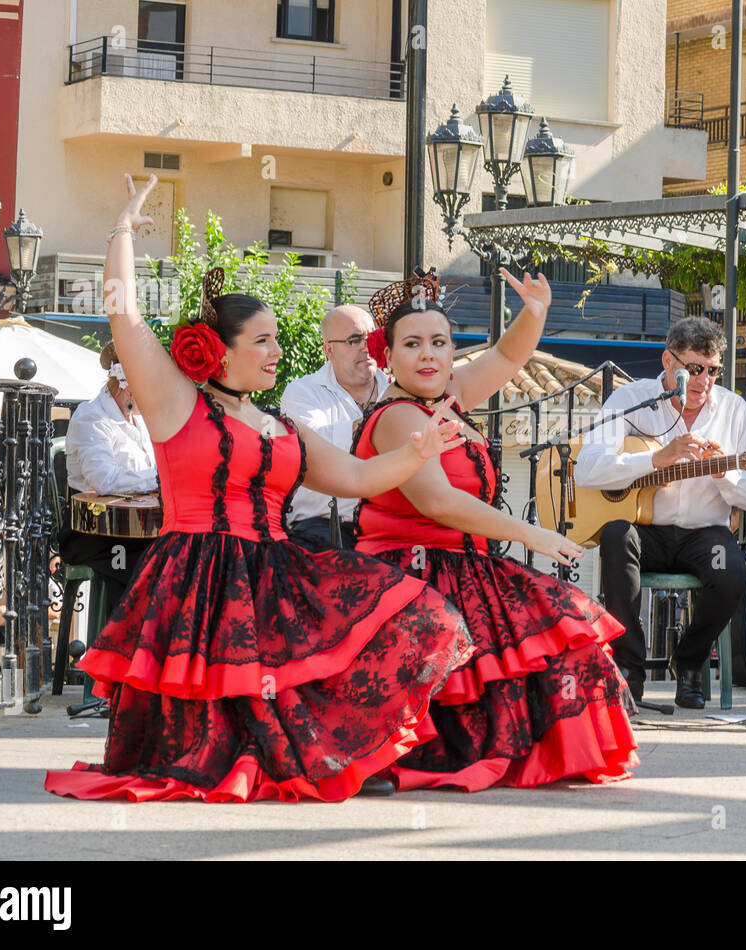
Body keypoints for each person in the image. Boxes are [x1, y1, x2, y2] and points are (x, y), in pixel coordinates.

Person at [44, 173, 474, 803]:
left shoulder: (283, 427)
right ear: (219, 351)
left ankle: (341, 750)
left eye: (277, 338)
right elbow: (124, 313)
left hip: (273, 565)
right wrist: (120, 235)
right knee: (216, 717)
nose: (278, 350)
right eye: (264, 340)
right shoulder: (176, 406)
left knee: (415, 612)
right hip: (197, 569)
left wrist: (417, 452)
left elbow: (356, 478)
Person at [350, 268, 637, 791]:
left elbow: (506, 358)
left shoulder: (449, 398)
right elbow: (439, 501)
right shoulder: (398, 416)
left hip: (464, 563)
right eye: (412, 344)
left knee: (565, 624)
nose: (429, 354)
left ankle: (537, 752)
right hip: (408, 569)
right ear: (386, 355)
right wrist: (532, 534)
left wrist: (534, 312)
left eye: (440, 342)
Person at [575, 317, 746, 709]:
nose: (703, 381)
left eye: (713, 370)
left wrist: (723, 472)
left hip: (704, 532)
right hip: (647, 529)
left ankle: (690, 660)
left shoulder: (733, 410)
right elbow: (587, 468)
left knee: (731, 574)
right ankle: (630, 669)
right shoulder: (631, 400)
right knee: (614, 535)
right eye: (693, 369)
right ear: (667, 360)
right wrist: (655, 459)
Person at [280, 304, 390, 550]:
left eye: (371, 337)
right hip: (324, 528)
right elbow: (315, 450)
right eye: (354, 340)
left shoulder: (396, 384)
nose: (366, 346)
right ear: (329, 350)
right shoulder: (302, 391)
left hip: (389, 526)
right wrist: (387, 421)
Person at [61, 341, 159, 615]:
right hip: (93, 531)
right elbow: (105, 481)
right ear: (130, 386)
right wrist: (158, 480)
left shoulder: (138, 421)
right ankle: (124, 645)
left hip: (135, 530)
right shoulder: (91, 418)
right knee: (155, 561)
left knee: (184, 549)